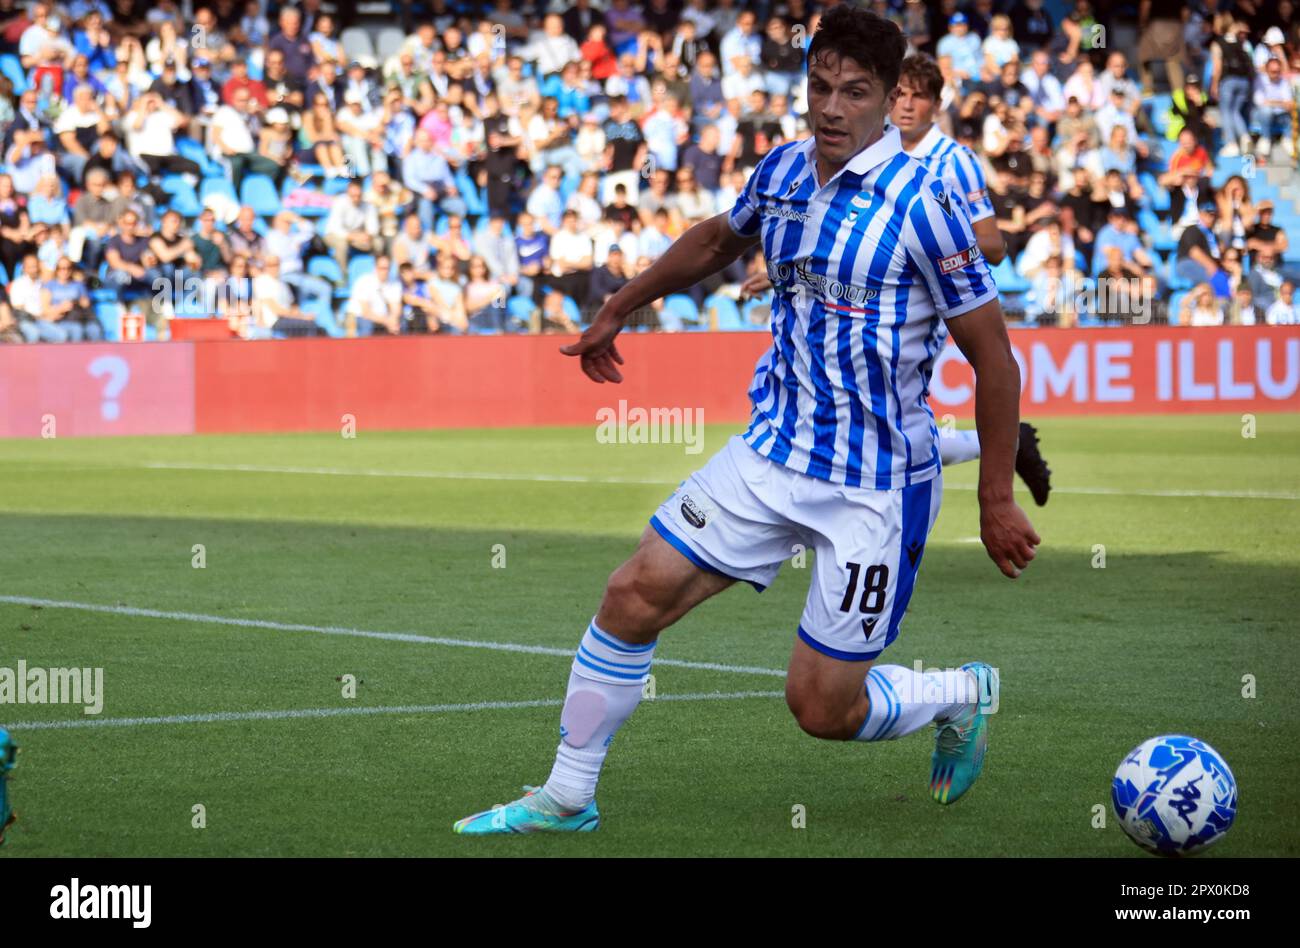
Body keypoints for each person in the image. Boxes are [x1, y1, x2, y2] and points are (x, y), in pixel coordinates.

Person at [453, 7, 1040, 836]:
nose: (831, 108)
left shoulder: (926, 207)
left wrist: (993, 499)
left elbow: (996, 361)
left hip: (873, 491)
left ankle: (958, 692)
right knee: (629, 596)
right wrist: (620, 304)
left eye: (855, 93)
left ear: (886, 102)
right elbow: (715, 242)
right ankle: (566, 797)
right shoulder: (786, 172)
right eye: (820, 87)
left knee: (820, 709)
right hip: (771, 455)